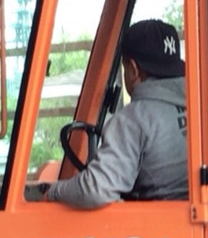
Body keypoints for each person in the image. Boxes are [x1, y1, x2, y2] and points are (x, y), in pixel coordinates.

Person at [46, 18, 188, 208]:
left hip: (158, 230)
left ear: (133, 69)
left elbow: (95, 189)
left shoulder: (134, 120)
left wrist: (53, 192)